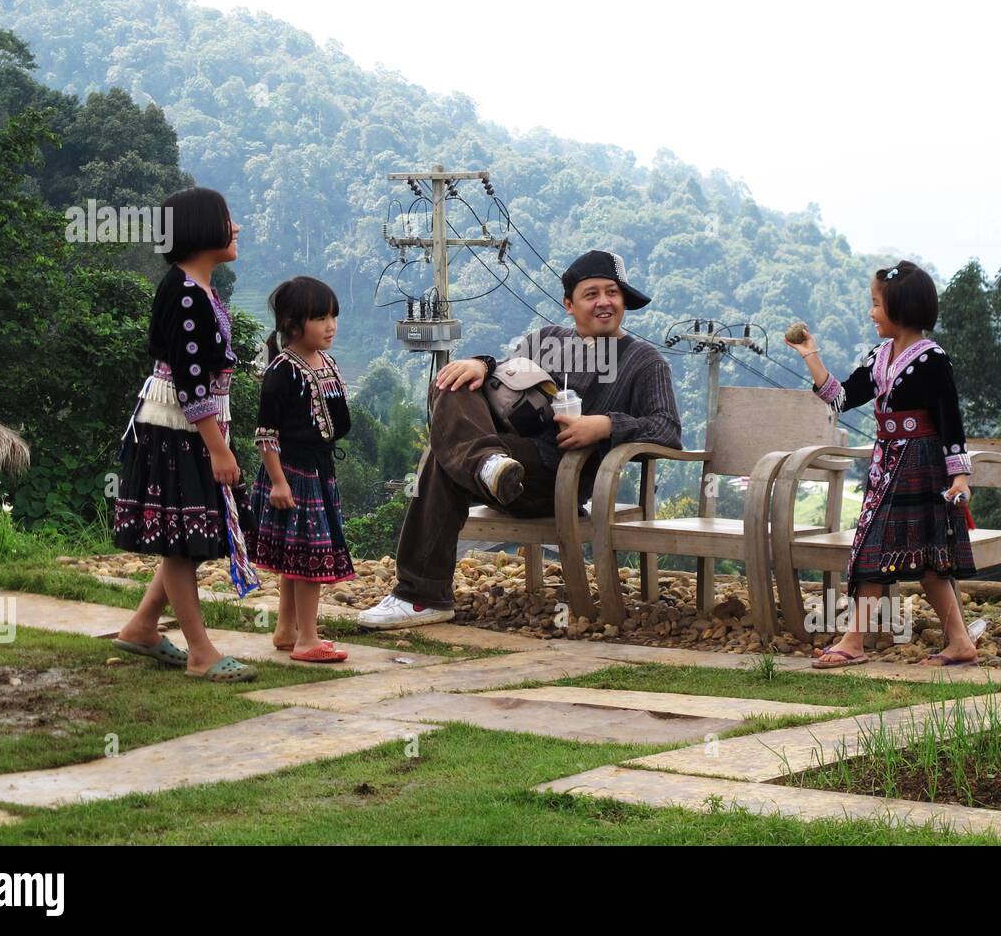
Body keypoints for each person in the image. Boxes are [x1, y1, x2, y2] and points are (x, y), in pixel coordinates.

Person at [359, 249, 682, 629]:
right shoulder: (546, 340)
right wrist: (481, 363)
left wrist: (605, 425)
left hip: (560, 478)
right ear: (568, 304)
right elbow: (502, 378)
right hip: (512, 463)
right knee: (452, 380)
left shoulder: (644, 361)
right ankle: (487, 464)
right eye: (591, 294)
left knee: (442, 458)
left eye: (612, 292)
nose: (604, 302)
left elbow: (667, 429)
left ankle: (421, 596)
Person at [785, 260, 978, 668]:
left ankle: (855, 642)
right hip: (887, 462)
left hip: (921, 465)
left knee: (909, 555)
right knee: (901, 554)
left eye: (876, 304)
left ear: (901, 307)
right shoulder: (879, 357)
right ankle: (958, 642)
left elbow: (950, 420)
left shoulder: (933, 361)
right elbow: (841, 398)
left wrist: (959, 475)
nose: (871, 312)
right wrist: (811, 356)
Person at [111, 187, 257, 683]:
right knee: (180, 543)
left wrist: (219, 438)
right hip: (178, 426)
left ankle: (142, 628)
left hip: (188, 424)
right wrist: (218, 448)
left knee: (180, 531)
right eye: (228, 219)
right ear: (200, 231)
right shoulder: (185, 294)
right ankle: (201, 651)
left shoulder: (199, 289)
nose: (236, 228)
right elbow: (193, 379)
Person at [248, 276, 354, 662]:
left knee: (296, 556)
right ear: (294, 325)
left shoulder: (326, 362)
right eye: (320, 318)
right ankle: (308, 639)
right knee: (310, 557)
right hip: (293, 474)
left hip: (318, 470)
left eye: (333, 317)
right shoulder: (282, 371)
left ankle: (286, 629)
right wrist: (277, 481)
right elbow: (266, 434)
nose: (331, 326)